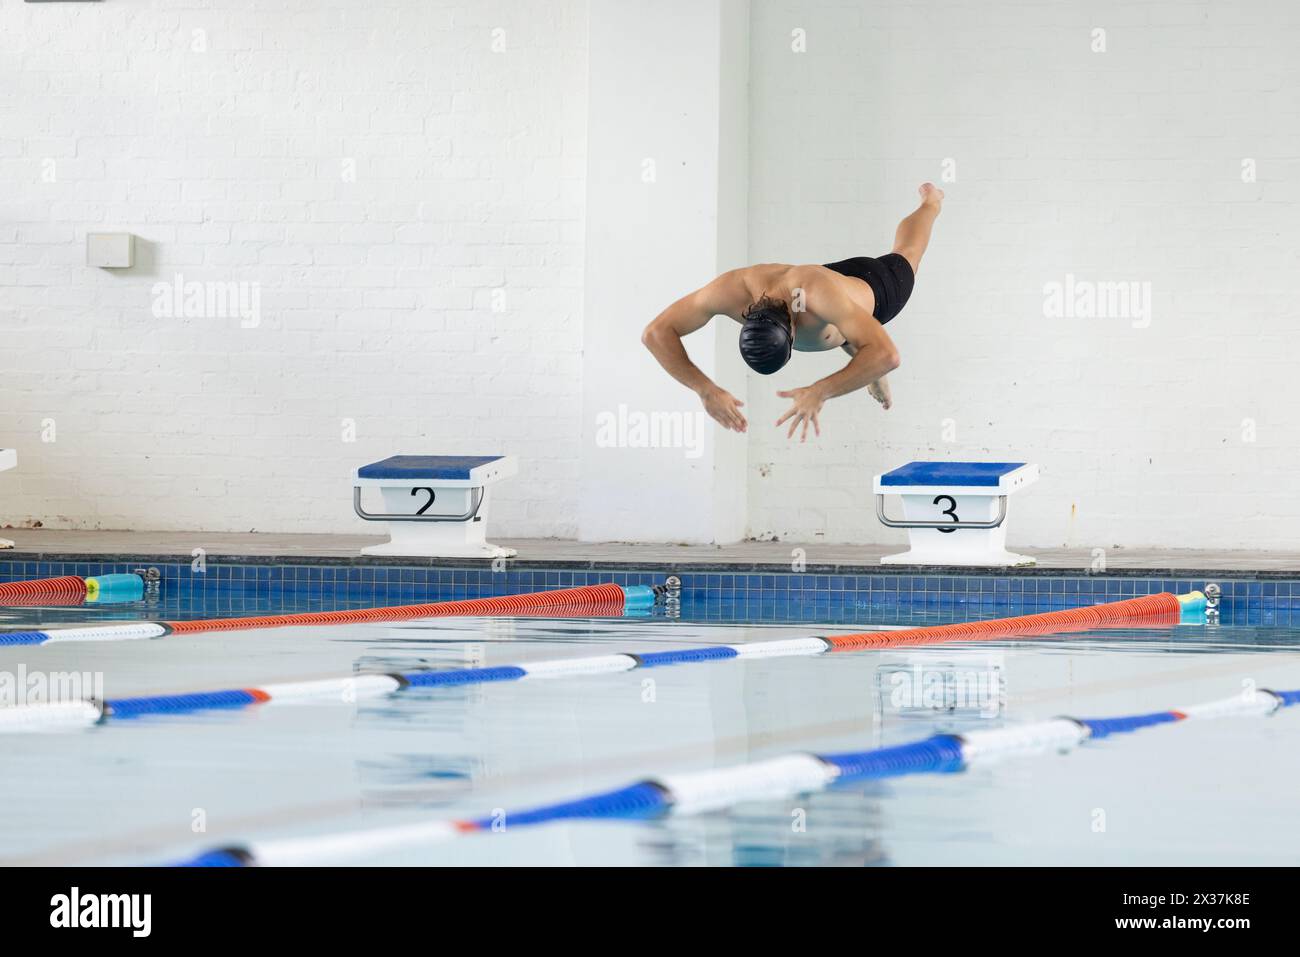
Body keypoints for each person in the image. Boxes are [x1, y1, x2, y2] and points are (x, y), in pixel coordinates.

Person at [642, 183, 944, 441]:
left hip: (871, 289)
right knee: (841, 329)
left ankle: (931, 202)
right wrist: (704, 389)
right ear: (746, 315)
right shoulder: (731, 291)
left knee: (907, 253)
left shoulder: (814, 296)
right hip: (831, 295)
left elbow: (888, 355)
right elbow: (655, 333)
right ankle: (858, 351)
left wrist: (820, 391)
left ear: (794, 329)